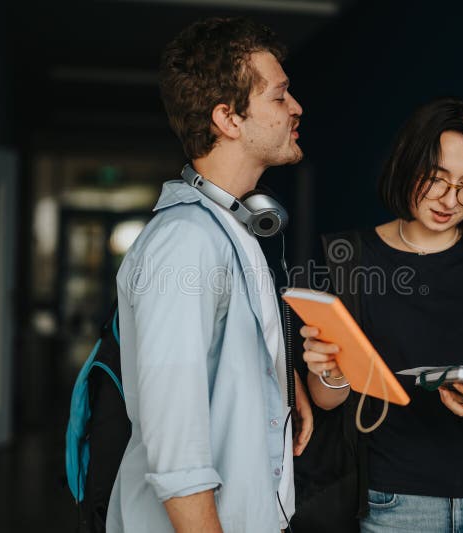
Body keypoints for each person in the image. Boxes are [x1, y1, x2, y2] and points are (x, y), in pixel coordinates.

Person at [299, 97, 463, 532]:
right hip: (399, 501)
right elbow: (329, 398)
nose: (451, 199)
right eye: (436, 179)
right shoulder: (352, 257)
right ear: (407, 166)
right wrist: (330, 371)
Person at [106, 17, 313, 533]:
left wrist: (284, 384)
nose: (296, 108)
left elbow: (226, 352)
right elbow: (175, 442)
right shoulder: (187, 242)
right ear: (229, 118)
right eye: (280, 96)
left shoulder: (233, 227)